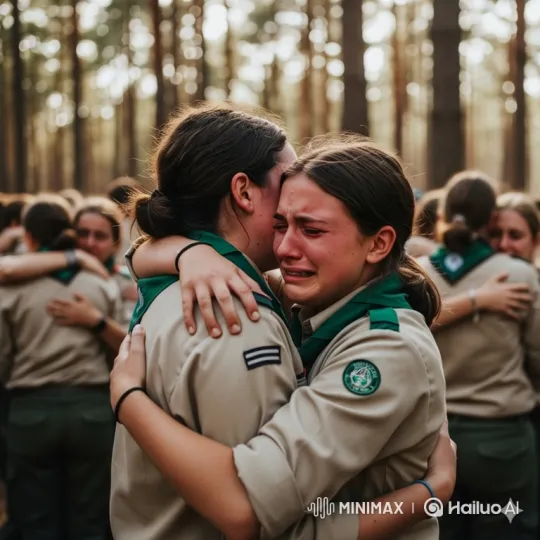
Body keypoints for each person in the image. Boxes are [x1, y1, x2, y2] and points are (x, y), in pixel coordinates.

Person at [110, 118, 449, 540]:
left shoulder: (379, 346)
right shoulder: (239, 300)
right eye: (282, 223)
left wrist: (127, 399)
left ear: (379, 243)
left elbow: (254, 510)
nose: (286, 246)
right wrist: (188, 252)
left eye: (311, 229)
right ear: (243, 191)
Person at [417, 171, 540, 539]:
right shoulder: (518, 275)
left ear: (442, 216)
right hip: (500, 439)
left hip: (428, 440)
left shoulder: (417, 275)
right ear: (491, 221)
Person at [0, 196, 120, 540]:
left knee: (35, 522)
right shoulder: (100, 284)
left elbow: (3, 356)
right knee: (90, 520)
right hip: (93, 414)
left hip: (31, 411)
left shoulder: (11, 290)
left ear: (30, 236)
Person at [0, 197, 133, 351]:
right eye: (82, 234)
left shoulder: (127, 283)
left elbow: (134, 347)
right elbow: (6, 270)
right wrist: (73, 257)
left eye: (100, 236)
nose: (90, 243)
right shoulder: (50, 268)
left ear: (115, 243)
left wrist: (96, 321)